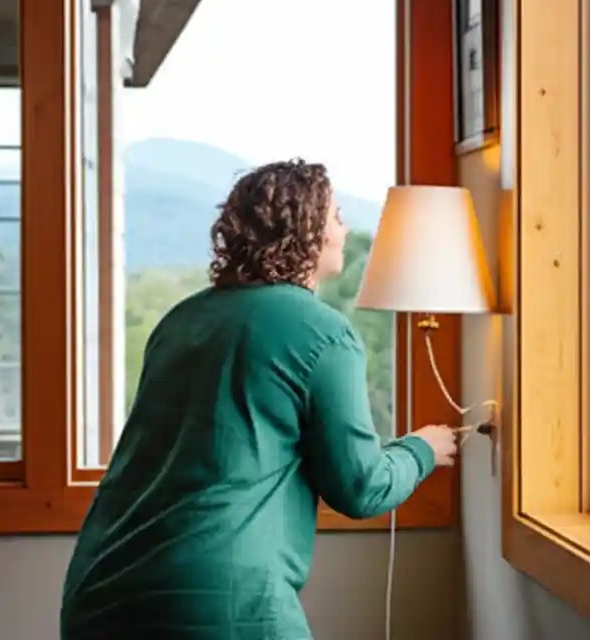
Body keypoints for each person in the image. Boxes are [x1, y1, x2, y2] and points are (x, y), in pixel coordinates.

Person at [60, 159, 459, 639]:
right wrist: (421, 449)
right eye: (334, 216)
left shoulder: (180, 321)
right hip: (219, 604)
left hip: (101, 590)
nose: (344, 229)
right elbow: (360, 487)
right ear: (308, 231)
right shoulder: (323, 332)